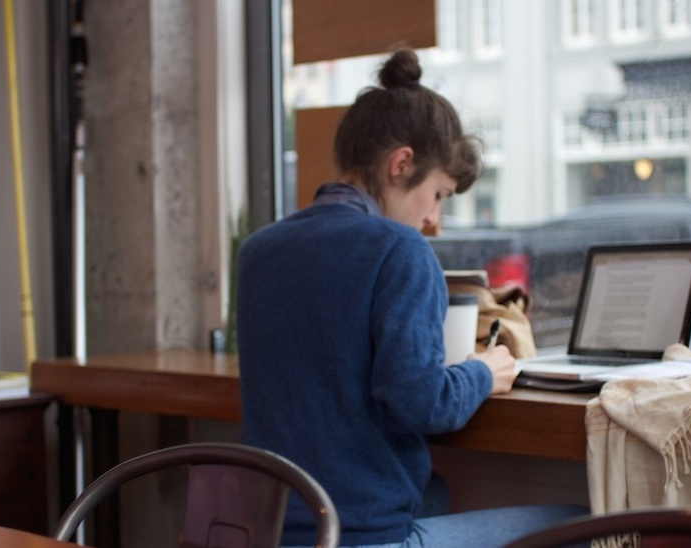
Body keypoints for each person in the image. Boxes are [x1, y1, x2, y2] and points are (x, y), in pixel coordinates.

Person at [236, 47, 587, 547]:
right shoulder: (398, 249)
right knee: (582, 524)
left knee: (436, 493)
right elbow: (419, 406)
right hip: (358, 537)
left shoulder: (257, 250)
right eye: (439, 195)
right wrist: (484, 372)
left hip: (270, 534)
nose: (434, 220)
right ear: (401, 164)